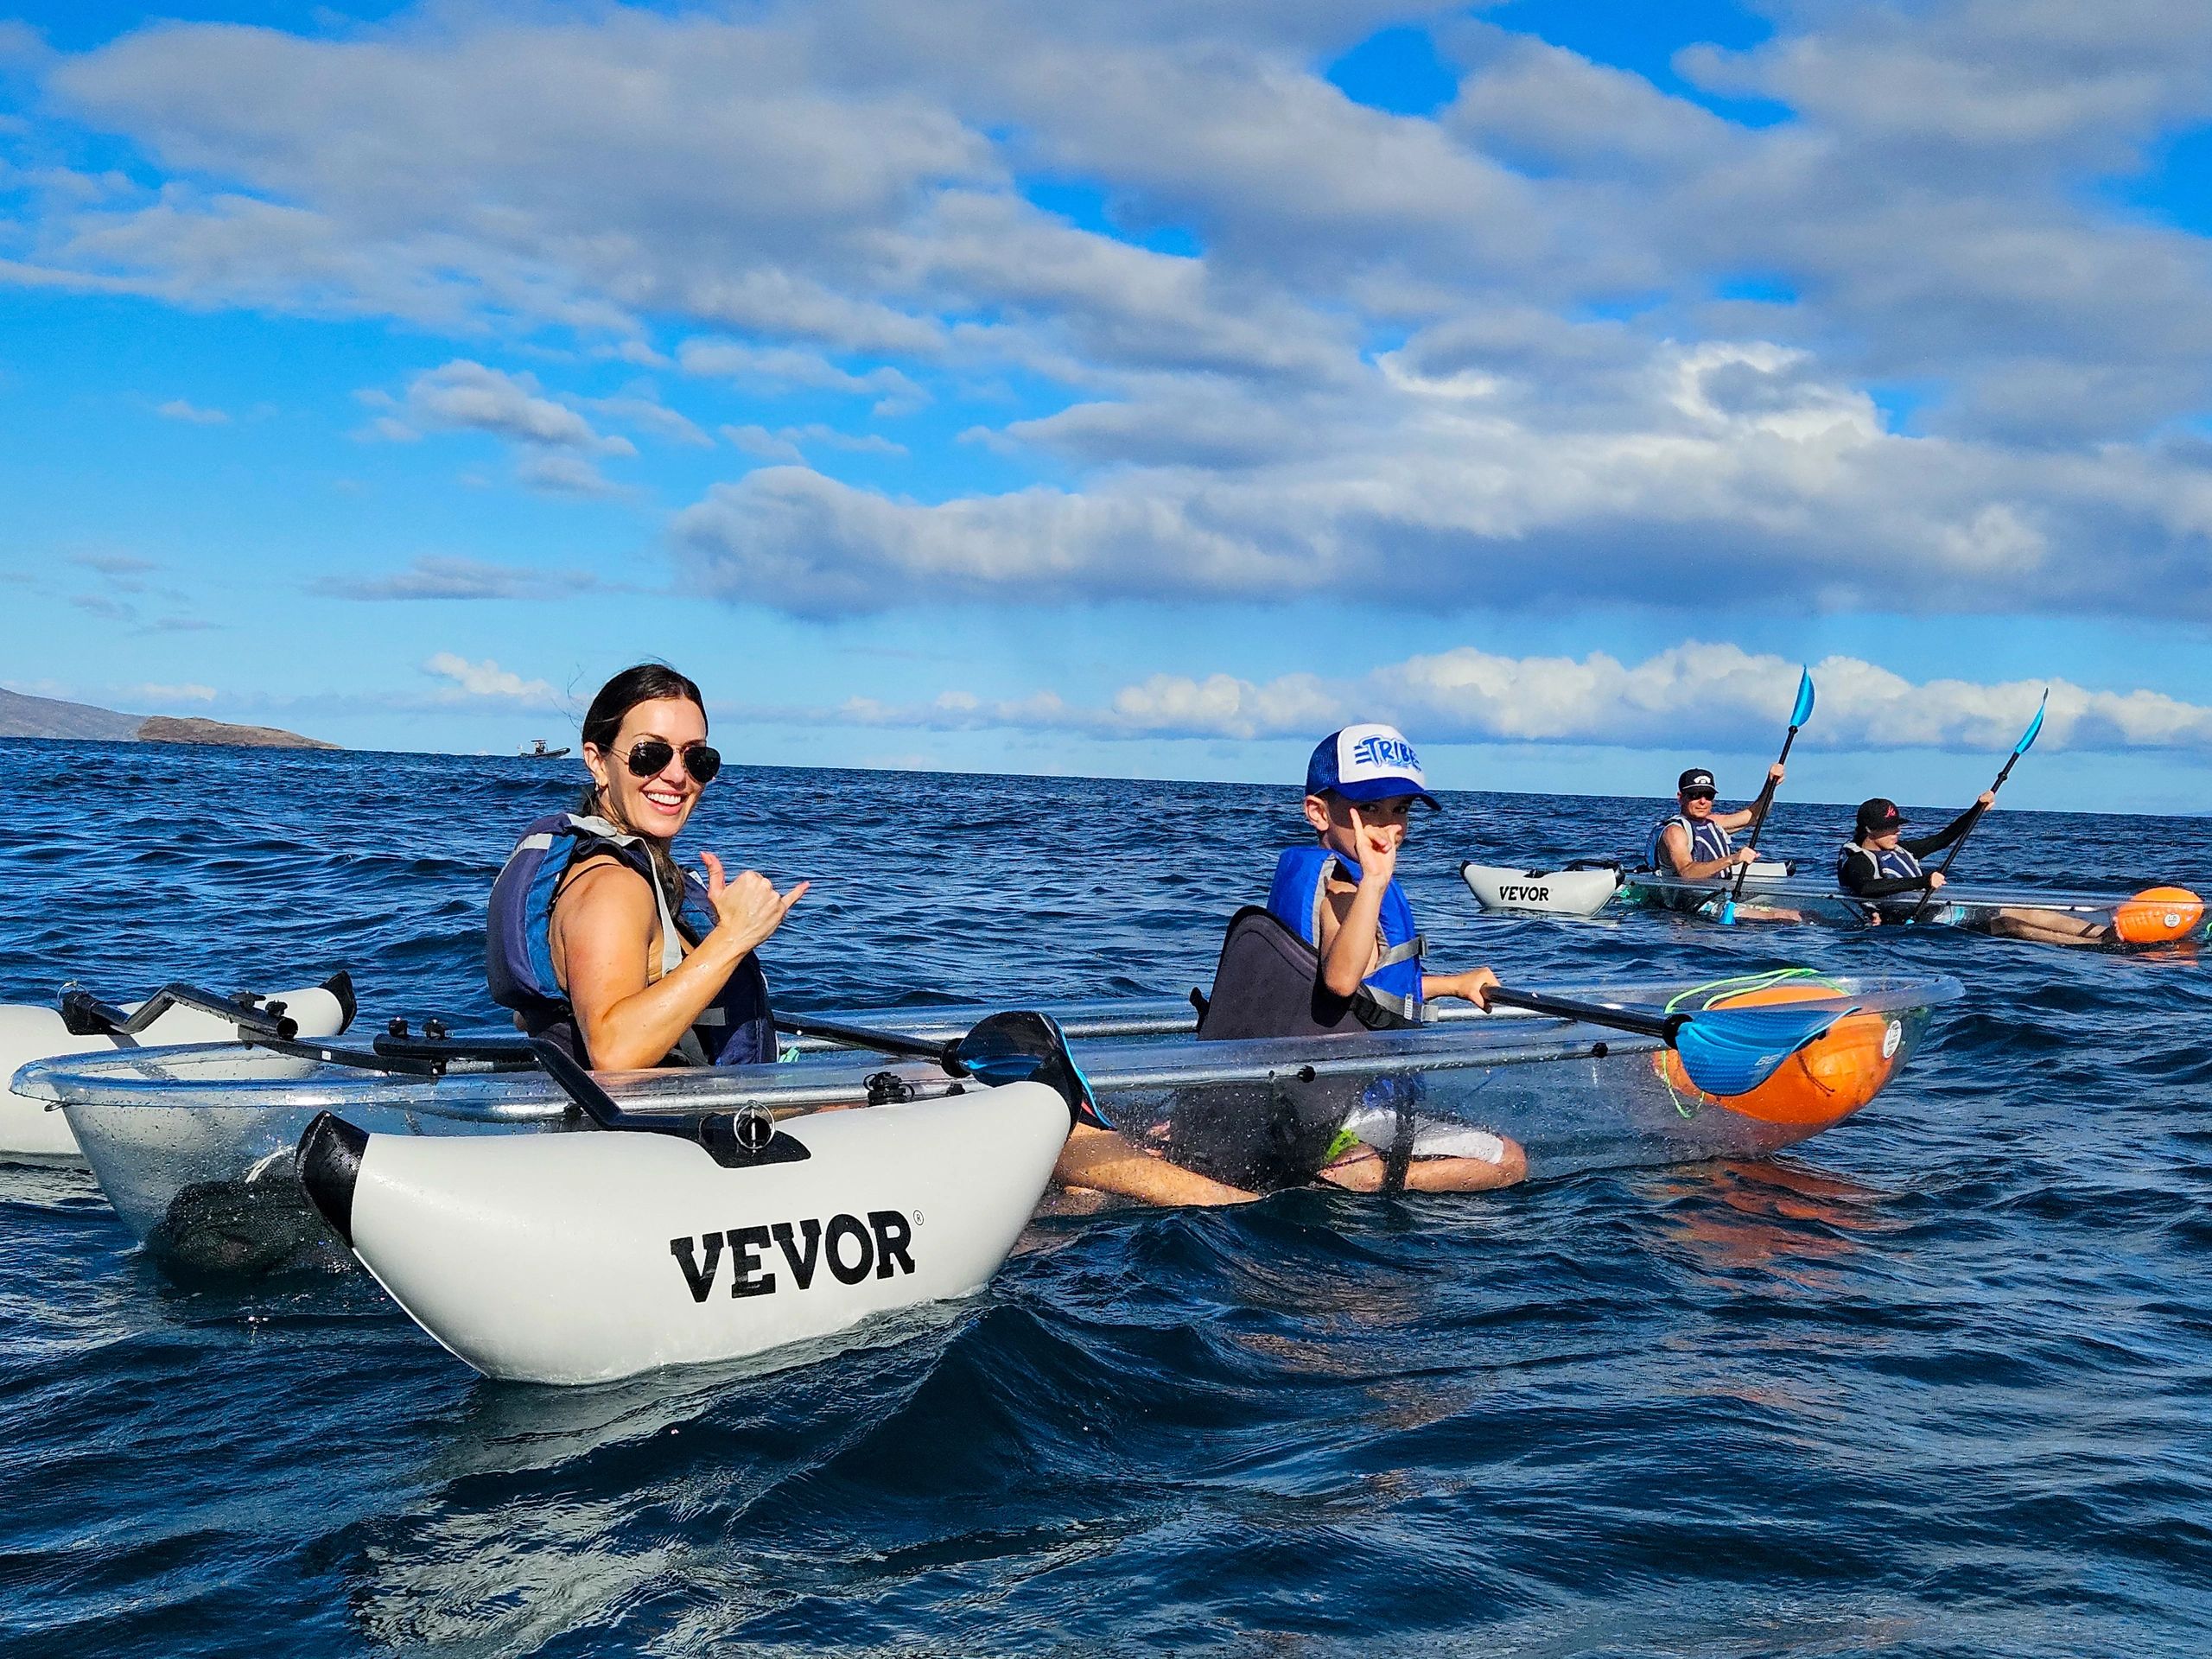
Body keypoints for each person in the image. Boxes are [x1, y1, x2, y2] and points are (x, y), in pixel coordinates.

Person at [485, 664, 808, 1069]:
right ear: (598, 762)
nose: (676, 776)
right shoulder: (611, 887)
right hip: (657, 1127)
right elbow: (613, 1051)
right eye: (649, 754)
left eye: (697, 758)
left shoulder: (628, 871)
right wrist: (733, 937)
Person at [1262, 724, 1526, 1194]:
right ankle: (1365, 1174)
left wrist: (1455, 984)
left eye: (1400, 809)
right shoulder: (1347, 889)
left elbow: (1369, 993)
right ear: (1319, 813)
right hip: (1344, 1104)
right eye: (1369, 809)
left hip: (1305, 1095)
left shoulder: (1338, 882)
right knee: (1509, 1160)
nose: (1390, 826)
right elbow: (1342, 981)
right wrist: (1376, 881)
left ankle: (1348, 1161)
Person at [1838, 796, 2111, 945]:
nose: (1897, 831)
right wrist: (1923, 881)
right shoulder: (1859, 860)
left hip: (1947, 912)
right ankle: (2093, 948)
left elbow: (1944, 838)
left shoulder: (1899, 849)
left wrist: (1977, 810)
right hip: (1923, 926)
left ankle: (2103, 933)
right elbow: (1866, 888)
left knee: (2019, 910)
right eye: (1890, 827)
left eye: (1898, 825)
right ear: (1869, 830)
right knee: (2009, 925)